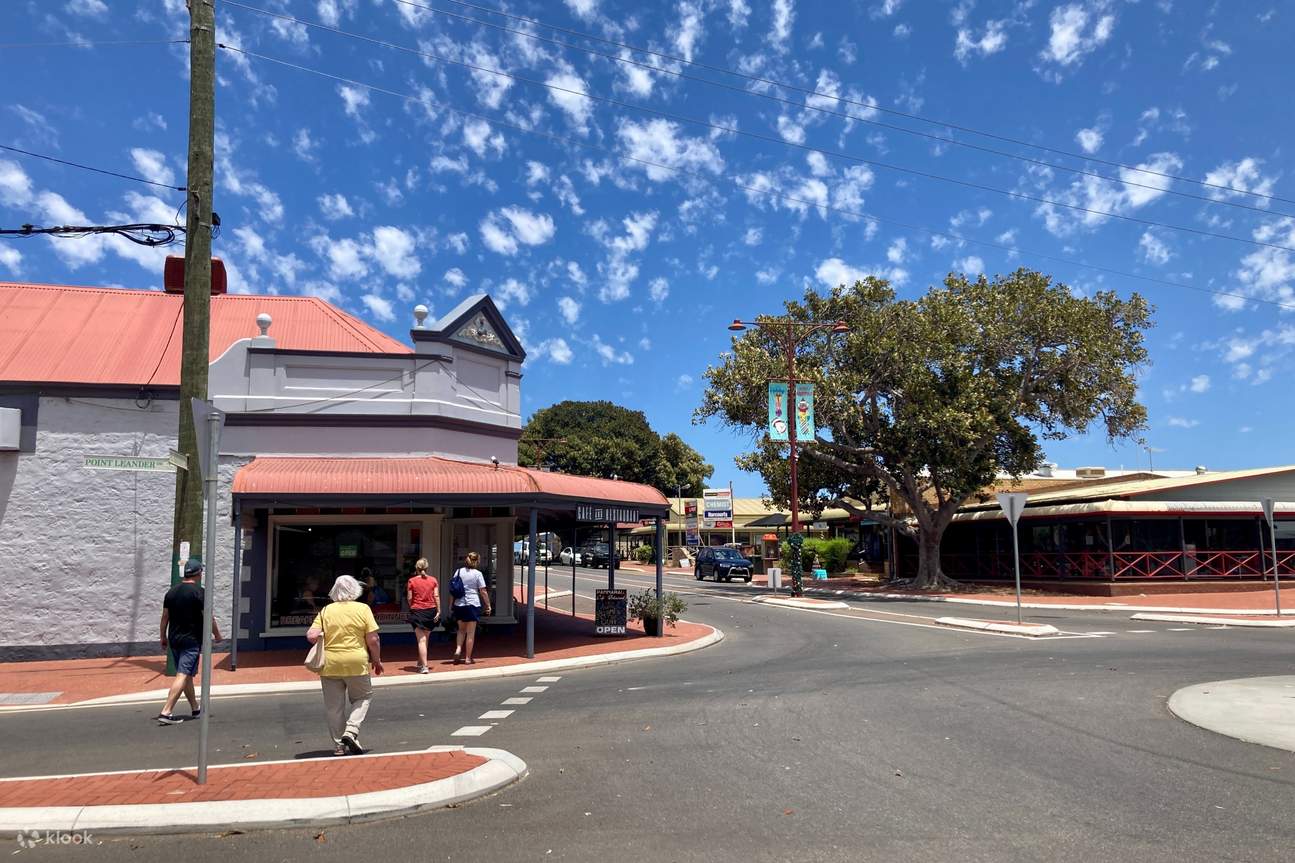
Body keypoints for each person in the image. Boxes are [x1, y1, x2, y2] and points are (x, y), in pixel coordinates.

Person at [306, 575, 384, 756]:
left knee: (334, 707)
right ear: (355, 591)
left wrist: (321, 635)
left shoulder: (326, 611)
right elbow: (373, 639)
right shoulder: (363, 609)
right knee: (363, 697)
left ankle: (339, 746)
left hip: (330, 664)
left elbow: (311, 635)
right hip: (356, 662)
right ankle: (351, 730)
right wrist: (377, 660)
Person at [157, 558, 221, 725]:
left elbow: (165, 617)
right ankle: (166, 711)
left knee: (186, 676)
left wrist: (163, 636)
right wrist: (218, 635)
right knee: (183, 674)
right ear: (198, 573)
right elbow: (209, 617)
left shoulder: (171, 592)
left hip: (175, 640)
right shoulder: (199, 593)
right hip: (191, 640)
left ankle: (195, 708)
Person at [451, 551, 492, 665]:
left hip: (459, 604)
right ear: (477, 561)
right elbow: (483, 591)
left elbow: (453, 590)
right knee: (470, 633)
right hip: (472, 604)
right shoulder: (477, 574)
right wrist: (488, 605)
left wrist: (452, 604)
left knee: (461, 630)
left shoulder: (458, 572)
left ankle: (458, 649)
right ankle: (468, 658)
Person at [406, 558, 439, 674]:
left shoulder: (412, 581)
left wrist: (412, 607)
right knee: (426, 638)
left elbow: (409, 598)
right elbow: (436, 596)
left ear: (417, 568)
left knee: (421, 640)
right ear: (427, 568)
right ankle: (420, 661)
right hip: (431, 611)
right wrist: (438, 611)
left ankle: (424, 666)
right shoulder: (433, 580)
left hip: (418, 611)